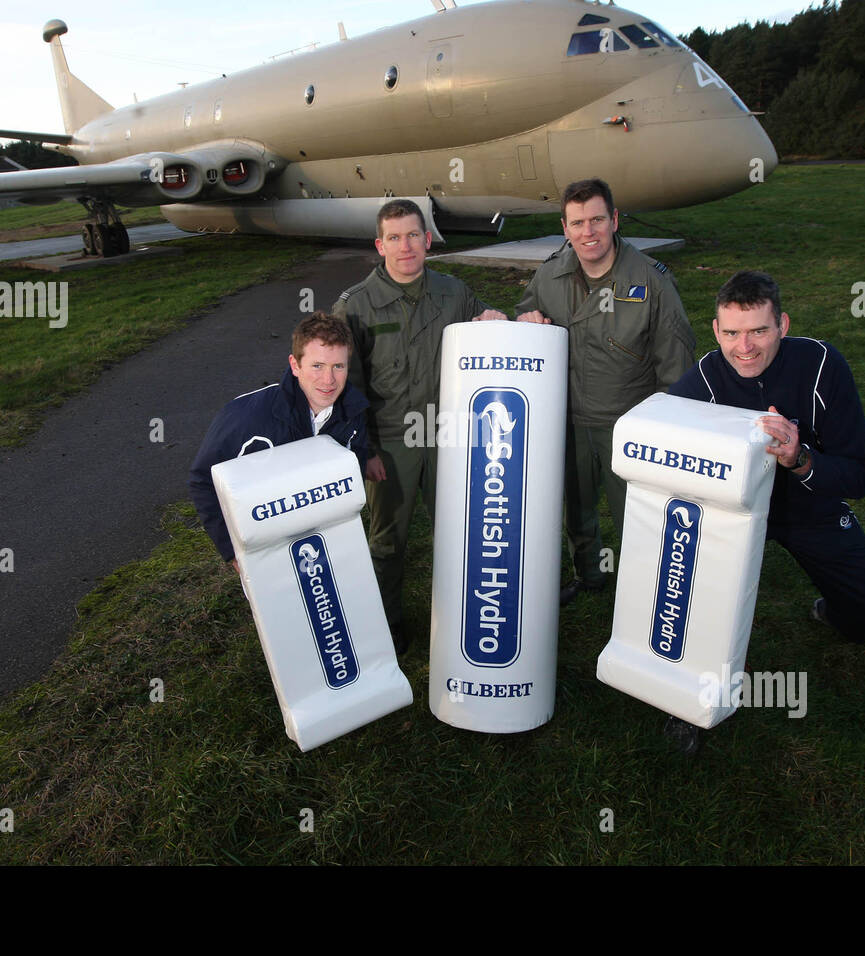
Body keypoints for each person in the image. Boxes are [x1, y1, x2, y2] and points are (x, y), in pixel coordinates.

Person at [664, 269, 865, 754]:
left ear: (783, 324)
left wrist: (800, 458)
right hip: (734, 512)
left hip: (807, 505)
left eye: (758, 331)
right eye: (731, 333)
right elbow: (659, 434)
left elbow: (860, 475)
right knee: (694, 594)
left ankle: (833, 612)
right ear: (715, 330)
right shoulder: (705, 376)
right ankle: (687, 698)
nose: (743, 347)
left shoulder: (820, 365)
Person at [333, 199, 506, 652]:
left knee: (457, 533)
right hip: (391, 440)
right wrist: (365, 451)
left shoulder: (453, 292)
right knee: (387, 541)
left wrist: (494, 317)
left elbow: (487, 325)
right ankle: (385, 629)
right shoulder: (355, 306)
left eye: (413, 235)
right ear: (379, 245)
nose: (405, 246)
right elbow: (345, 391)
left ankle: (459, 622)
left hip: (448, 436)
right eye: (394, 237)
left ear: (428, 240)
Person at [516, 178, 696, 606]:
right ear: (565, 227)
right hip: (567, 420)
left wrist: (667, 431)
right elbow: (526, 309)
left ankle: (643, 594)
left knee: (636, 515)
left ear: (614, 220)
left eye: (597, 219)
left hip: (628, 422)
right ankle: (589, 575)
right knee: (575, 510)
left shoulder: (650, 281)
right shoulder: (550, 274)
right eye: (578, 222)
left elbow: (677, 362)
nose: (588, 232)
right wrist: (527, 318)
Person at [188, 311, 372, 573]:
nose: (329, 380)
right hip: (268, 552)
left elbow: (353, 479)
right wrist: (232, 552)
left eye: (338, 366)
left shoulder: (354, 414)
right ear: (295, 365)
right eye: (317, 366)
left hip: (328, 545)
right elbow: (202, 481)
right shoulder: (246, 416)